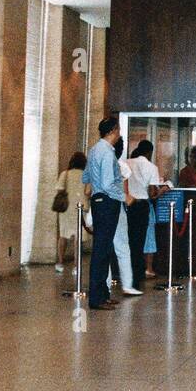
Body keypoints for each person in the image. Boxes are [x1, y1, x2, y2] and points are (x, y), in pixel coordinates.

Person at [82, 118, 123, 311]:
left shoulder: (93, 150)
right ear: (114, 130)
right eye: (119, 129)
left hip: (98, 202)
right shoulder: (106, 152)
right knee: (101, 251)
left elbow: (86, 177)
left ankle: (103, 295)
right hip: (107, 203)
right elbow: (108, 184)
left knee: (103, 250)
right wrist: (124, 197)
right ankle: (97, 299)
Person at [126, 140, 162, 289]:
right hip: (141, 206)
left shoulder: (127, 162)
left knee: (127, 240)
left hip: (127, 204)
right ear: (150, 152)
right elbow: (152, 193)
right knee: (140, 241)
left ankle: (125, 273)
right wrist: (162, 190)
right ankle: (137, 274)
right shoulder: (152, 167)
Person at [109, 137, 141, 297]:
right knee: (122, 247)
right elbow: (126, 194)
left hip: (100, 209)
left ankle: (105, 284)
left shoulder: (99, 163)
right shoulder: (122, 167)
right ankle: (127, 285)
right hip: (117, 209)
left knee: (104, 248)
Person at [55, 151, 88, 273]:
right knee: (77, 237)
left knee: (63, 235)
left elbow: (59, 189)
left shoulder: (65, 174)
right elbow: (89, 191)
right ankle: (76, 265)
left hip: (66, 208)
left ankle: (60, 262)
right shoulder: (86, 175)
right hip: (81, 207)